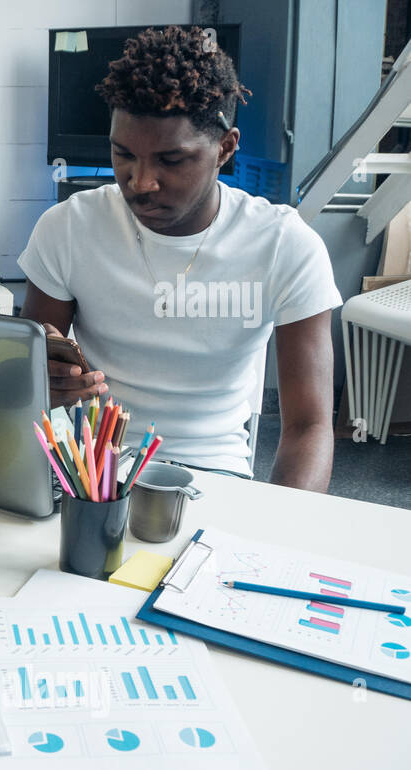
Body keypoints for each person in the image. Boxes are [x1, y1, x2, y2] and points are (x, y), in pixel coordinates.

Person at [20, 26, 341, 489]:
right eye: (122, 154)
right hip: (91, 471)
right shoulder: (69, 226)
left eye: (170, 161)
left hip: (212, 472)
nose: (141, 181)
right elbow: (30, 376)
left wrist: (281, 537)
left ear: (225, 149)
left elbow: (309, 426)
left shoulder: (283, 245)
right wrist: (46, 385)